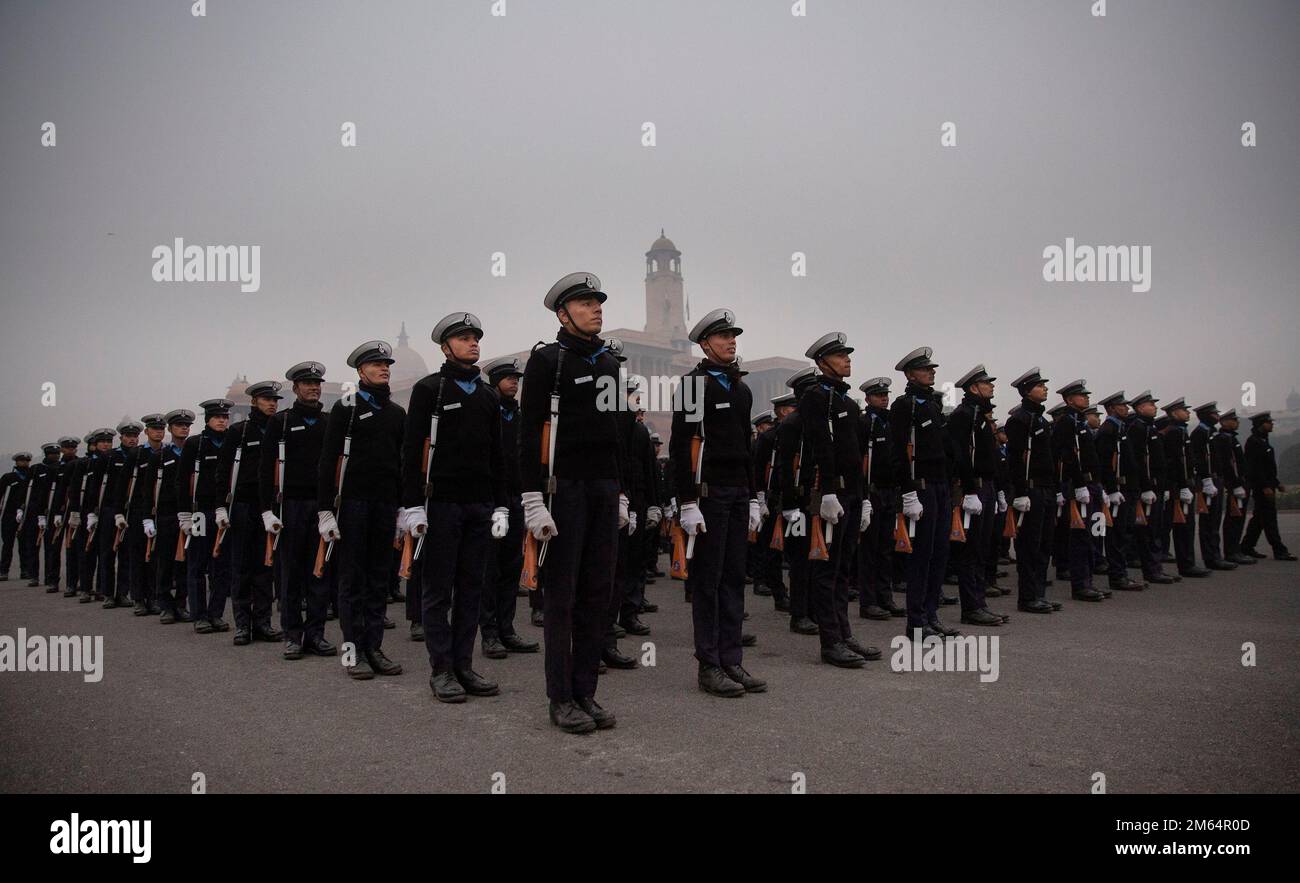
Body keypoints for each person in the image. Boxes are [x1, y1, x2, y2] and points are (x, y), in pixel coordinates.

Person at [519, 272, 625, 733]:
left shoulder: (609, 363)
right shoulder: (548, 361)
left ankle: (586, 692)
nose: (596, 308)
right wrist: (531, 497)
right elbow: (528, 433)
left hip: (602, 488)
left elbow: (617, 434)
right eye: (585, 303)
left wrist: (621, 492)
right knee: (562, 598)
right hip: (564, 491)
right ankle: (560, 697)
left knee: (597, 596)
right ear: (563, 314)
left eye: (598, 302)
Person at [400, 313, 506, 703]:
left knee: (472, 590)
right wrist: (412, 505)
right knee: (438, 590)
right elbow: (412, 452)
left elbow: (496, 456)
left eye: (475, 337)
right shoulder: (430, 390)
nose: (473, 343)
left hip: (479, 504)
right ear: (445, 347)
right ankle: (441, 669)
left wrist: (500, 506)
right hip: (441, 503)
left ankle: (464, 664)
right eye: (463, 338)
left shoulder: (487, 395)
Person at [671, 308, 766, 696]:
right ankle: (709, 665)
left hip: (738, 494)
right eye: (723, 336)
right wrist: (687, 501)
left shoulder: (740, 388)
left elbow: (748, 446)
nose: (731, 342)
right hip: (708, 496)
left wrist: (755, 495)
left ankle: (732, 660)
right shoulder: (694, 385)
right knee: (708, 582)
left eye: (733, 336)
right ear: (705, 343)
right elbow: (681, 446)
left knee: (733, 580)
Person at [319, 340, 407, 679]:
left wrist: (401, 509)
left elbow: (400, 463)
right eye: (376, 364)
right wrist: (325, 509)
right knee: (352, 579)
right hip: (353, 504)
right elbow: (328, 461)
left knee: (377, 579)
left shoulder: (397, 413)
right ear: (360, 371)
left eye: (386, 365)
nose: (384, 368)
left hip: (385, 505)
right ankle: (352, 650)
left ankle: (374, 646)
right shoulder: (346, 407)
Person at [800, 332, 880, 666]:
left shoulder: (847, 402)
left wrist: (863, 497)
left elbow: (855, 454)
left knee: (844, 569)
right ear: (822, 363)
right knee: (826, 570)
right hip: (830, 493)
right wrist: (827, 491)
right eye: (839, 356)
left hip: (850, 492)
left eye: (848, 355)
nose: (847, 360)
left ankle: (845, 634)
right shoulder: (815, 397)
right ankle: (830, 642)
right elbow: (819, 447)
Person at [260, 361, 336, 658]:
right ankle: (293, 634)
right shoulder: (280, 422)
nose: (313, 388)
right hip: (290, 504)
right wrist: (267, 509)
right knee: (291, 573)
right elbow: (267, 469)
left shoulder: (330, 422)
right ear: (295, 388)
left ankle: (316, 634)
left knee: (319, 571)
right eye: (307, 384)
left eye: (317, 384)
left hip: (321, 506)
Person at [890, 347, 960, 637]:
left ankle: (931, 614)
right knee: (922, 556)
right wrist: (908, 493)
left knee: (939, 554)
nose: (931, 372)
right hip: (922, 488)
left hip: (941, 485)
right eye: (924, 369)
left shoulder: (931, 404)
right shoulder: (905, 406)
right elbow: (898, 452)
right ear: (910, 374)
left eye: (931, 368)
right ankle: (916, 621)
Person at [477, 356, 541, 660]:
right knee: (490, 568)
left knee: (511, 567)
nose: (514, 382)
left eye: (516, 378)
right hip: (491, 500)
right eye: (508, 378)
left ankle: (507, 629)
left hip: (517, 498)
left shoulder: (520, 415)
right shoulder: (487, 412)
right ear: (495, 382)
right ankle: (489, 633)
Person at [946, 365, 1009, 625]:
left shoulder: (980, 416)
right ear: (974, 387)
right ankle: (971, 607)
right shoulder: (964, 415)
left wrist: (999, 489)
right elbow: (961, 456)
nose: (992, 387)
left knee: (983, 548)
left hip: (988, 487)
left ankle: (980, 602)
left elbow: (990, 457)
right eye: (986, 383)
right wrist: (970, 490)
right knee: (970, 551)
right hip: (975, 488)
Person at [1004, 370, 1060, 614]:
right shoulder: (1019, 419)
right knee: (1030, 545)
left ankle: (1039, 593)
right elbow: (1016, 459)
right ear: (1027, 391)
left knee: (1045, 544)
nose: (1045, 389)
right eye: (1040, 386)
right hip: (1032, 490)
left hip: (1046, 488)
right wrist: (1020, 491)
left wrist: (1055, 489)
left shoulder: (1040, 419)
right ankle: (1027, 597)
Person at [181, 400, 234, 631]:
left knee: (222, 566)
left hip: (224, 512)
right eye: (217, 417)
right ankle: (199, 615)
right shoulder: (195, 444)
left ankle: (216, 614)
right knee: (197, 565)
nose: (222, 420)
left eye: (225, 417)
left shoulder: (232, 443)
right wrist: (184, 514)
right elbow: (181, 480)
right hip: (201, 512)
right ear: (208, 420)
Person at [154, 410, 195, 623]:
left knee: (185, 563)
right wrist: (147, 517)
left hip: (189, 513)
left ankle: (181, 604)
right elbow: (150, 490)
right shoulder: (161, 456)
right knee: (166, 562)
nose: (184, 428)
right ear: (170, 429)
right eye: (179, 425)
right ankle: (165, 606)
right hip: (167, 514)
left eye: (186, 425)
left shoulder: (193, 452)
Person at [1240, 412, 1296, 561]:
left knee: (1259, 519)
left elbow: (1268, 468)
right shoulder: (1254, 442)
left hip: (1268, 484)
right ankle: (1279, 550)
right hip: (1261, 487)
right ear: (1260, 424)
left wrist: (1276, 483)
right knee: (1269, 519)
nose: (1272, 424)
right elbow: (1255, 468)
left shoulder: (1263, 441)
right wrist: (1265, 486)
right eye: (1268, 422)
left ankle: (1246, 546)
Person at [1190, 402, 1236, 571]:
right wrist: (1206, 480)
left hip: (1215, 479)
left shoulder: (1211, 432)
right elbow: (1201, 460)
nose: (1217, 417)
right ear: (1206, 415)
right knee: (1209, 523)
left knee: (1215, 520)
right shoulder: (1200, 433)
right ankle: (1211, 557)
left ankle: (1215, 555)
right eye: (1214, 414)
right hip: (1207, 481)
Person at [1211, 409, 1255, 566]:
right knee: (1233, 519)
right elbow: (1229, 465)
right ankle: (1231, 551)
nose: (1236, 422)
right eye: (1233, 419)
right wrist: (1235, 484)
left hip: (1238, 483)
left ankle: (1235, 550)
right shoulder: (1223, 439)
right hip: (1233, 485)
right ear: (1224, 422)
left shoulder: (1231, 438)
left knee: (1238, 519)